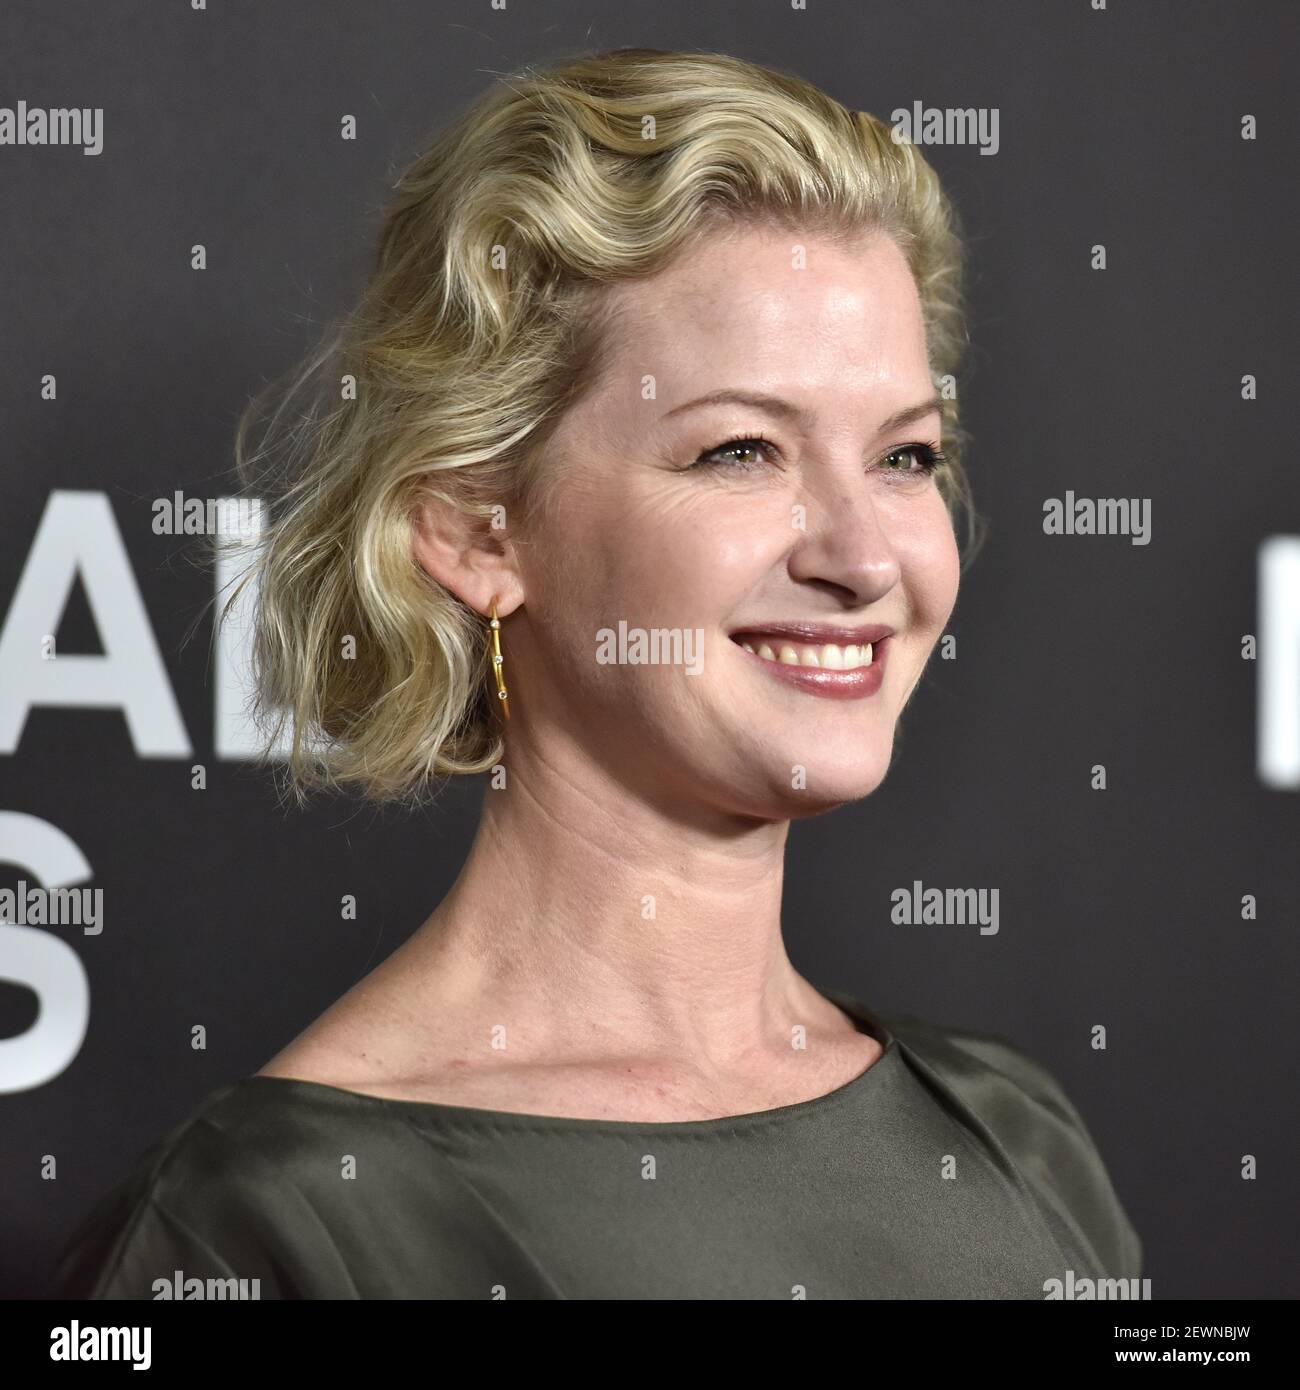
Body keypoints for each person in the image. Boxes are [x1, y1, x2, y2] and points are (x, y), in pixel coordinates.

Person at [51, 46, 1141, 1299]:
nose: (860, 557)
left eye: (903, 457)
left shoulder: (1013, 1135)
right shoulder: (264, 1226)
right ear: (475, 529)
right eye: (740, 450)